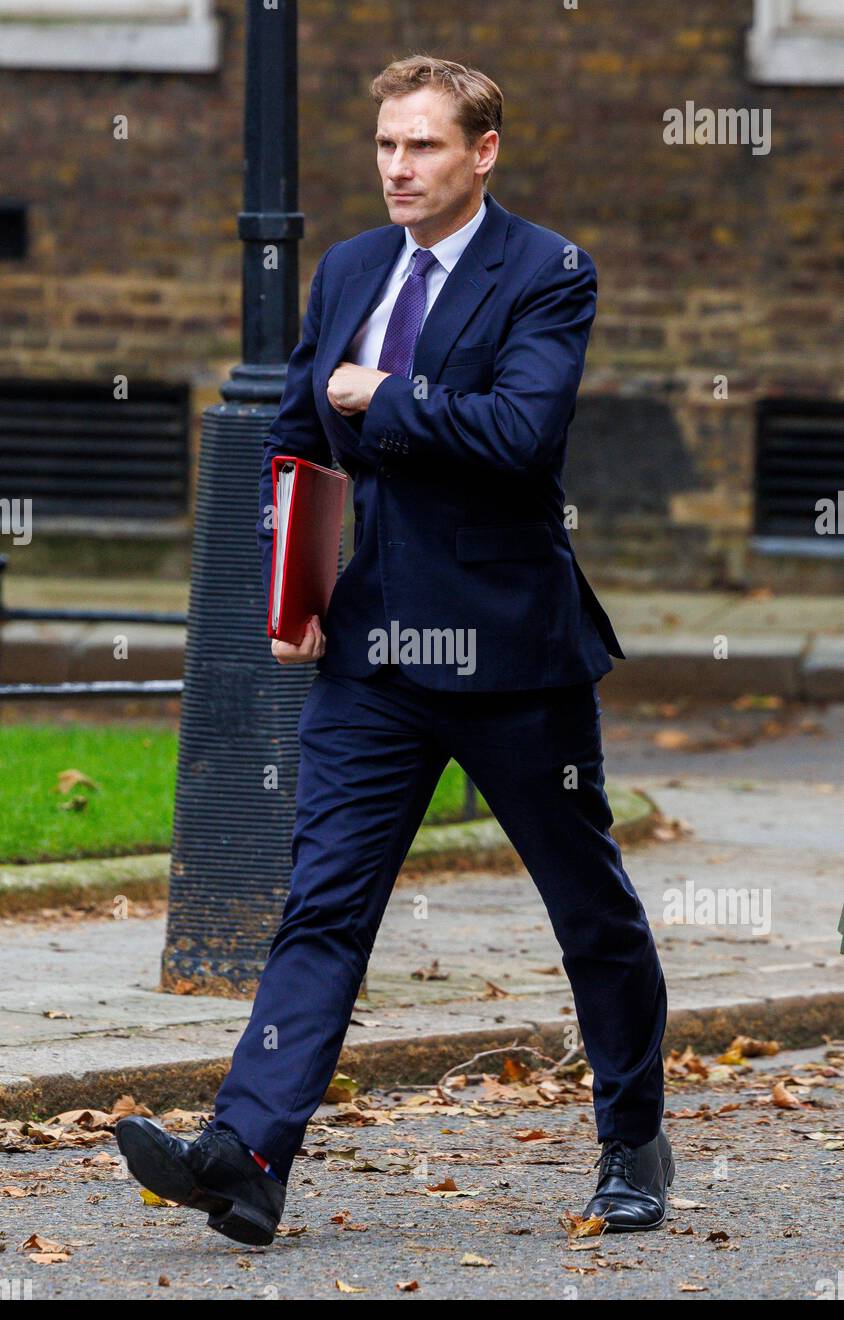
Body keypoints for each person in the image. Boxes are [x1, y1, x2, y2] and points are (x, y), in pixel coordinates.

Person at [117, 54, 673, 1245]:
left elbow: (521, 435)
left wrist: (387, 395)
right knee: (320, 908)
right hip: (371, 653)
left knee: (590, 911)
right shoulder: (352, 270)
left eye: (422, 146)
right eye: (383, 145)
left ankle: (632, 1138)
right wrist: (295, 580)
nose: (396, 168)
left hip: (515, 654)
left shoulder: (549, 271)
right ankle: (249, 1153)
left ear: (483, 152)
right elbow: (293, 437)